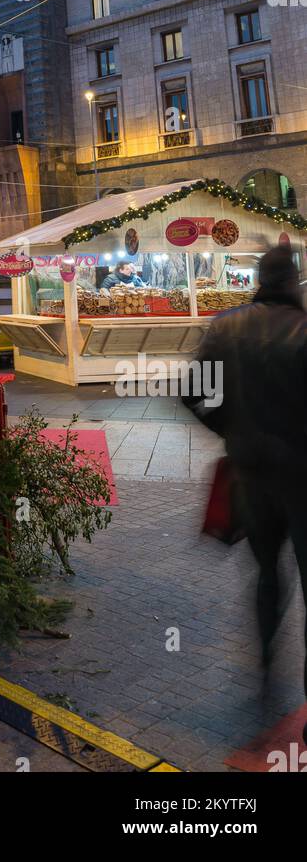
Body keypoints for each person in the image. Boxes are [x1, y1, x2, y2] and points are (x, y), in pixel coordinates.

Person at [184, 243, 307, 740]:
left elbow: (195, 394)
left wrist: (232, 431)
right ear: (293, 280)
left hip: (252, 474)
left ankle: (263, 666)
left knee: (265, 575)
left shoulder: (224, 327)